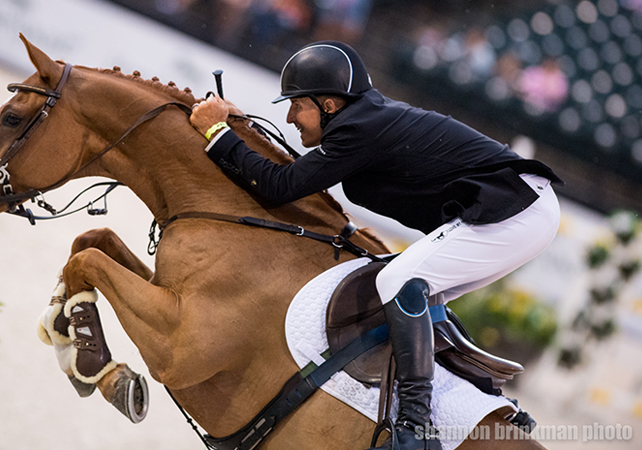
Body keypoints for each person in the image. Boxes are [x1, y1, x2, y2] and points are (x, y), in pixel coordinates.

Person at [190, 41, 562, 450]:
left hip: (515, 208)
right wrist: (242, 130)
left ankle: (414, 426)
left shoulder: (359, 128)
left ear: (329, 104)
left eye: (298, 104)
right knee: (419, 295)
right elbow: (301, 174)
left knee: (399, 281)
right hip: (520, 208)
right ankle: (488, 396)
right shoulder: (362, 122)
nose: (290, 116)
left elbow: (281, 186)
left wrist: (216, 133)